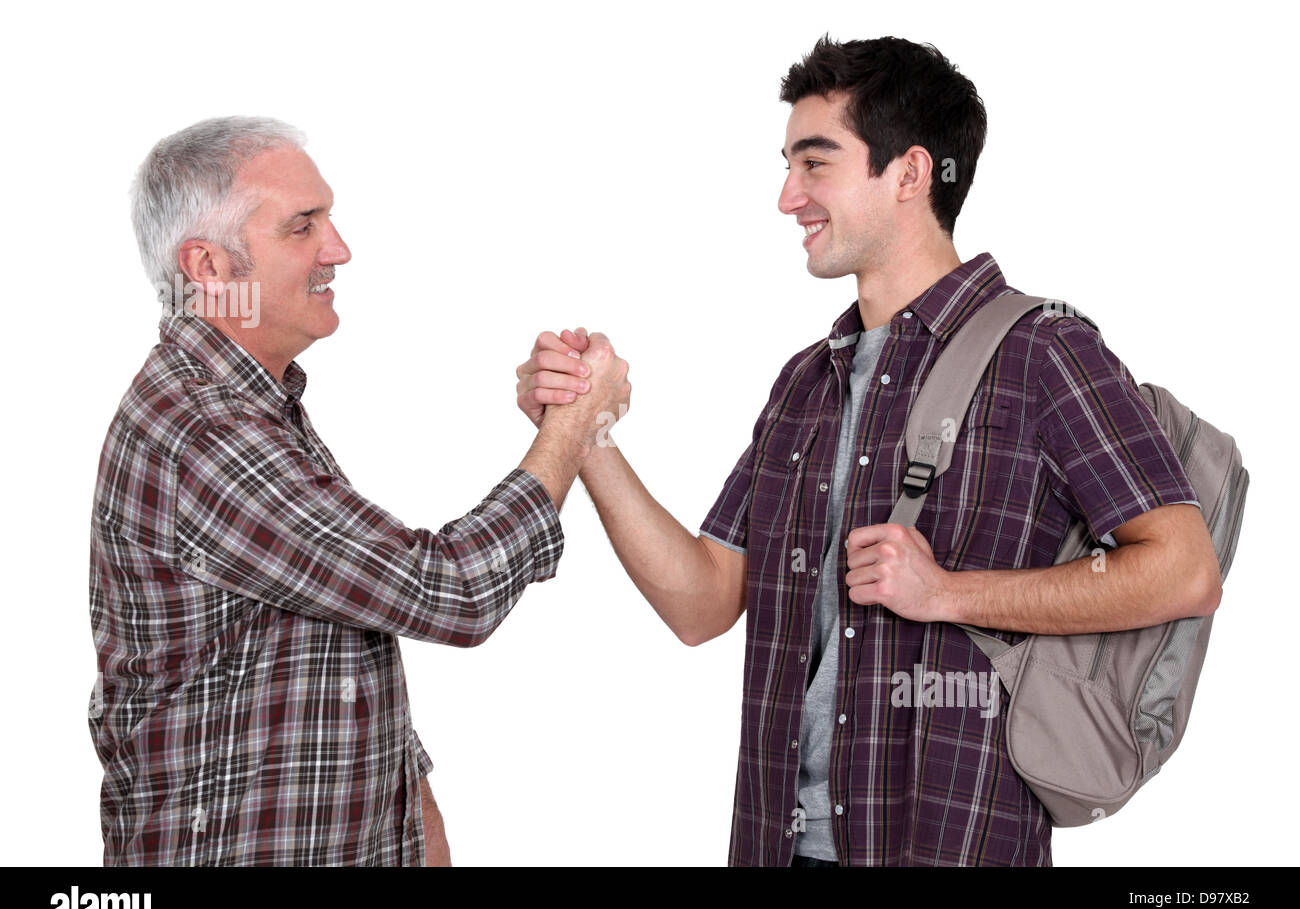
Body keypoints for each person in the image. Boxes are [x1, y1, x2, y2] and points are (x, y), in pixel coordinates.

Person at [515, 36, 1221, 866]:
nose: (787, 196)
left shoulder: (1043, 354)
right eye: (787, 165)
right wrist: (582, 433)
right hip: (782, 845)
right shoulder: (808, 383)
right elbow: (703, 603)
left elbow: (1184, 569)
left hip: (946, 845)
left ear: (911, 173)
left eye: (816, 164)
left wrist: (949, 593)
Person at [88, 116, 629, 866]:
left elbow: (338, 649)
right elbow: (451, 591)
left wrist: (422, 836)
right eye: (302, 227)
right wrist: (567, 431)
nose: (338, 249)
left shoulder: (251, 407)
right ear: (206, 267)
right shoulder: (206, 433)